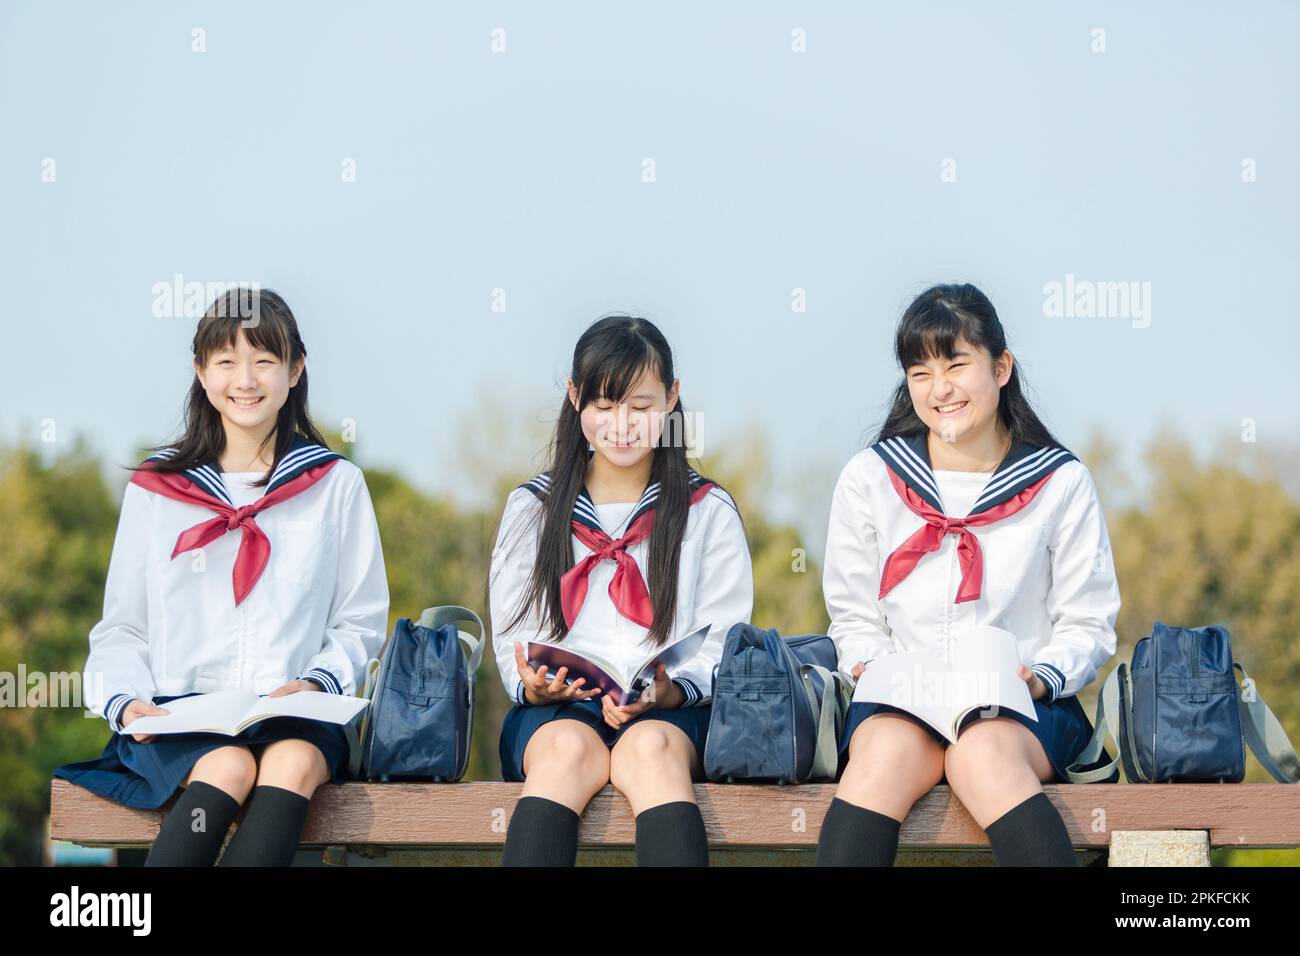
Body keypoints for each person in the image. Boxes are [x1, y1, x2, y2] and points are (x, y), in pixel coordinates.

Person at [53, 288, 389, 866]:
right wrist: (126, 702)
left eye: (264, 361)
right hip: (181, 712)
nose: (246, 380)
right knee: (228, 764)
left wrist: (317, 682)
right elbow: (123, 625)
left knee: (293, 760)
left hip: (294, 711)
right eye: (227, 361)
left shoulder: (335, 485)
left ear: (295, 369)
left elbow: (359, 620)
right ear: (201, 371)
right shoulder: (159, 490)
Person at [816, 283, 1120, 867]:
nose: (941, 389)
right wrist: (872, 667)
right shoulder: (871, 477)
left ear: (1001, 367)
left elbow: (1088, 618)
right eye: (921, 371)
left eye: (957, 364)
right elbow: (852, 614)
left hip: (1026, 707)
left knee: (979, 753)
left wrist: (1040, 676)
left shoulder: (1059, 481)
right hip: (903, 701)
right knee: (880, 754)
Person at [490, 314, 753, 866]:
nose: (622, 426)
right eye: (604, 407)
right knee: (564, 751)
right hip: (557, 713)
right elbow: (514, 634)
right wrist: (536, 685)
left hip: (673, 711)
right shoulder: (532, 509)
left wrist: (669, 691)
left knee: (651, 751)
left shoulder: (707, 510)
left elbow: (724, 640)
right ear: (574, 397)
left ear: (673, 397)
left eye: (641, 406)